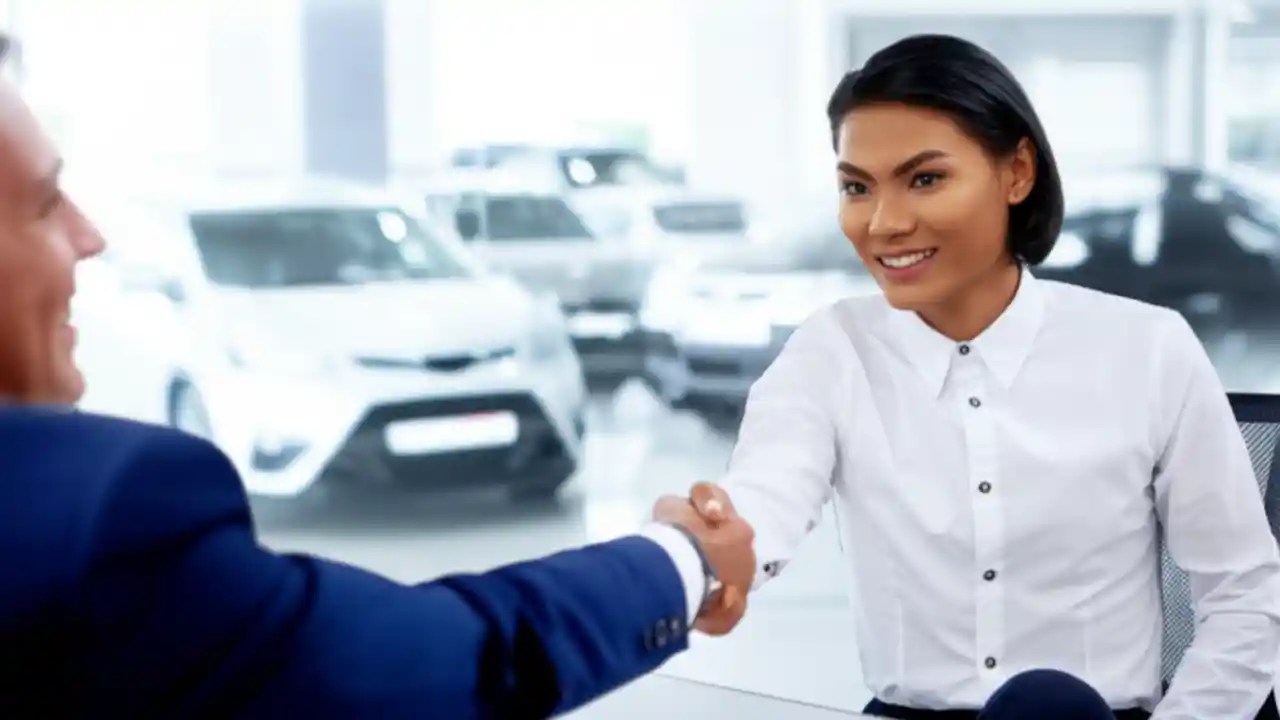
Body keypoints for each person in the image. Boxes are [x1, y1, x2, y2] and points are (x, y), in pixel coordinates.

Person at [0, 37, 756, 718]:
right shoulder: (97, 519)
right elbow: (434, 667)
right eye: (43, 204)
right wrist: (683, 558)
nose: (90, 236)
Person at [655, 34, 1280, 719]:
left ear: (1016, 173)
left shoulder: (1148, 349)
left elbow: (1246, 596)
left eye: (925, 178)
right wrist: (703, 554)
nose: (884, 223)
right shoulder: (832, 350)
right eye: (856, 187)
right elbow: (762, 502)